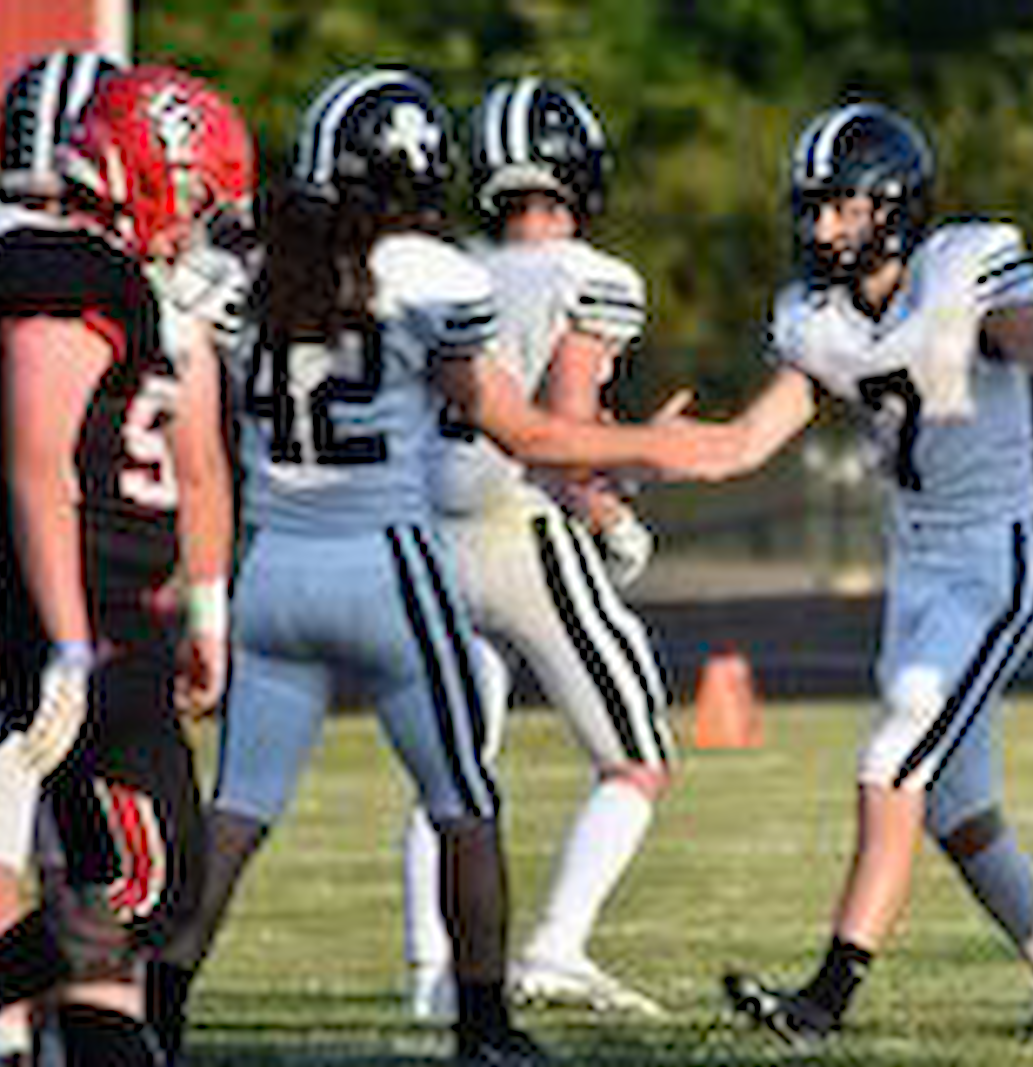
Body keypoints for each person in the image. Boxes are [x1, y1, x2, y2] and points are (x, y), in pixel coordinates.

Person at [147, 67, 739, 1067]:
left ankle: (156, 1013)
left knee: (237, 807)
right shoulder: (431, 272)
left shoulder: (242, 268)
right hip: (385, 557)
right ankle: (482, 1021)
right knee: (466, 799)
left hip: (273, 567)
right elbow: (523, 429)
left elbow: (195, 391)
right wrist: (654, 446)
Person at [708, 101, 1033, 1047]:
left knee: (892, 760)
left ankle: (825, 1002)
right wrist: (626, 456)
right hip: (916, 567)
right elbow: (746, 438)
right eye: (813, 209)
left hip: (997, 555)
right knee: (957, 809)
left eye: (839, 207)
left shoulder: (966, 266)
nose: (820, 227)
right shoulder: (816, 318)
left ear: (891, 205)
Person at [0, 64, 253, 1066]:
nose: (198, 220)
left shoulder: (155, 289)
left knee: (144, 883)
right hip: (59, 610)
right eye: (196, 191)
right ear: (148, 170)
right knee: (110, 868)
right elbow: (38, 464)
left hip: (130, 615)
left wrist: (206, 613)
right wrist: (68, 643)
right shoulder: (53, 268)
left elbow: (202, 467)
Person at [403, 76, 672, 1022]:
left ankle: (433, 974)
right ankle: (558, 944)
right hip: (519, 523)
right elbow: (560, 423)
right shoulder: (590, 276)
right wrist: (614, 517)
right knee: (637, 754)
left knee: (453, 759)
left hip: (427, 523)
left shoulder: (448, 270)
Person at [0, 51, 126, 1067]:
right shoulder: (74, 264)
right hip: (47, 564)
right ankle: (18, 1030)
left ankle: (9, 1030)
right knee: (59, 839)